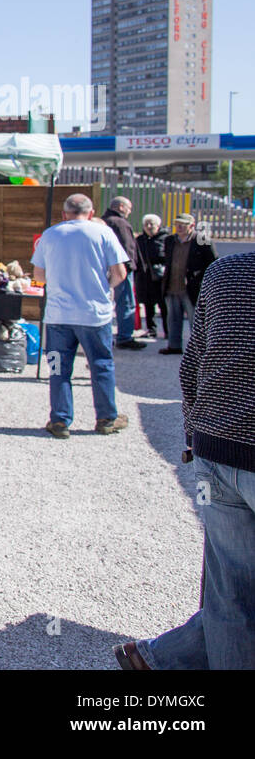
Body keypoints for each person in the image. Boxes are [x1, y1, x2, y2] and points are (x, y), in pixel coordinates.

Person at [115, 252, 255, 669]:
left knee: (230, 596)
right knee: (231, 594)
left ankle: (156, 657)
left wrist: (195, 433)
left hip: (216, 448)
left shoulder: (225, 270)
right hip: (223, 446)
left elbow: (193, 362)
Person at [31, 193, 130, 438]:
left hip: (58, 315)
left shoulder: (50, 235)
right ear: (92, 212)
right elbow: (120, 273)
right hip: (94, 313)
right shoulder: (104, 233)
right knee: (101, 365)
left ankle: (60, 420)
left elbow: (39, 276)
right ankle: (107, 418)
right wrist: (104, 287)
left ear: (64, 214)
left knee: (57, 368)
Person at [159, 213, 216, 356]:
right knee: (172, 318)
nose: (179, 227)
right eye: (177, 224)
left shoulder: (202, 240)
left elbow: (213, 262)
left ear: (192, 225)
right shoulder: (170, 240)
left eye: (183, 224)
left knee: (195, 321)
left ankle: (198, 351)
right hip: (172, 285)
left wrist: (204, 282)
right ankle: (174, 346)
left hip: (192, 287)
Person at [100, 196, 144, 350]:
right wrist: (131, 267)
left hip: (104, 269)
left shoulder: (103, 221)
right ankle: (125, 337)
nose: (130, 212)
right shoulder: (120, 223)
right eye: (129, 208)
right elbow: (127, 248)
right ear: (121, 207)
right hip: (121, 269)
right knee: (126, 303)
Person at [135, 214, 168, 338]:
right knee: (148, 306)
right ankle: (151, 329)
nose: (149, 227)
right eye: (146, 224)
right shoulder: (140, 240)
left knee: (163, 306)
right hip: (145, 278)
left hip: (160, 278)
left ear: (158, 226)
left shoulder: (166, 239)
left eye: (152, 224)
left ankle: (168, 330)